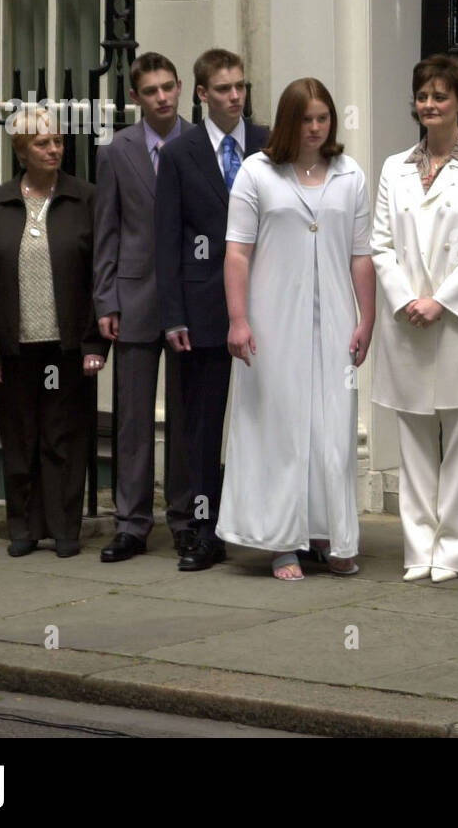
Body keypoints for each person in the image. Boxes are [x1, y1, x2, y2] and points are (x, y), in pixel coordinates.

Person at [219, 77, 375, 581]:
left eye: (323, 118)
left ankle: (332, 534)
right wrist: (238, 319)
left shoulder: (349, 174)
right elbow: (238, 252)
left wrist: (366, 317)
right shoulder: (257, 172)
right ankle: (282, 542)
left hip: (334, 319)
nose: (315, 128)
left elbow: (361, 255)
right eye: (306, 119)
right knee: (280, 426)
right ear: (289, 122)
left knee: (332, 427)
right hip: (272, 317)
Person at [371, 54, 458, 584]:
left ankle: (452, 551)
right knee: (412, 436)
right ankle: (417, 548)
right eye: (423, 96)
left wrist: (440, 302)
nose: (429, 104)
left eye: (440, 96)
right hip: (405, 321)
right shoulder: (393, 167)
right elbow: (380, 244)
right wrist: (407, 299)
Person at [155, 49, 268, 571]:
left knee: (273, 418)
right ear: (201, 93)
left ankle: (280, 525)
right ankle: (205, 530)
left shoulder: (270, 145)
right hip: (201, 312)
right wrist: (173, 314)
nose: (235, 96)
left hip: (267, 307)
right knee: (202, 427)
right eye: (223, 88)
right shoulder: (180, 154)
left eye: (240, 86)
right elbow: (167, 241)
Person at [0, 109, 107, 558]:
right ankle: (24, 528)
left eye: (57, 141)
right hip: (16, 345)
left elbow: (98, 276)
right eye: (42, 143)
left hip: (67, 344)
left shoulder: (84, 198)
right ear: (20, 150)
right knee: (19, 438)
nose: (54, 149)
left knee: (64, 437)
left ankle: (65, 528)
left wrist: (95, 343)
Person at [92, 52, 195, 562]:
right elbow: (106, 230)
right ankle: (131, 524)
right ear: (135, 97)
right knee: (132, 421)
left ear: (180, 87)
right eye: (150, 90)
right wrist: (105, 298)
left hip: (189, 304)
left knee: (184, 417)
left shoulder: (200, 144)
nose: (161, 97)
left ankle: (184, 520)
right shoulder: (117, 151)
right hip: (132, 298)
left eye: (168, 87)